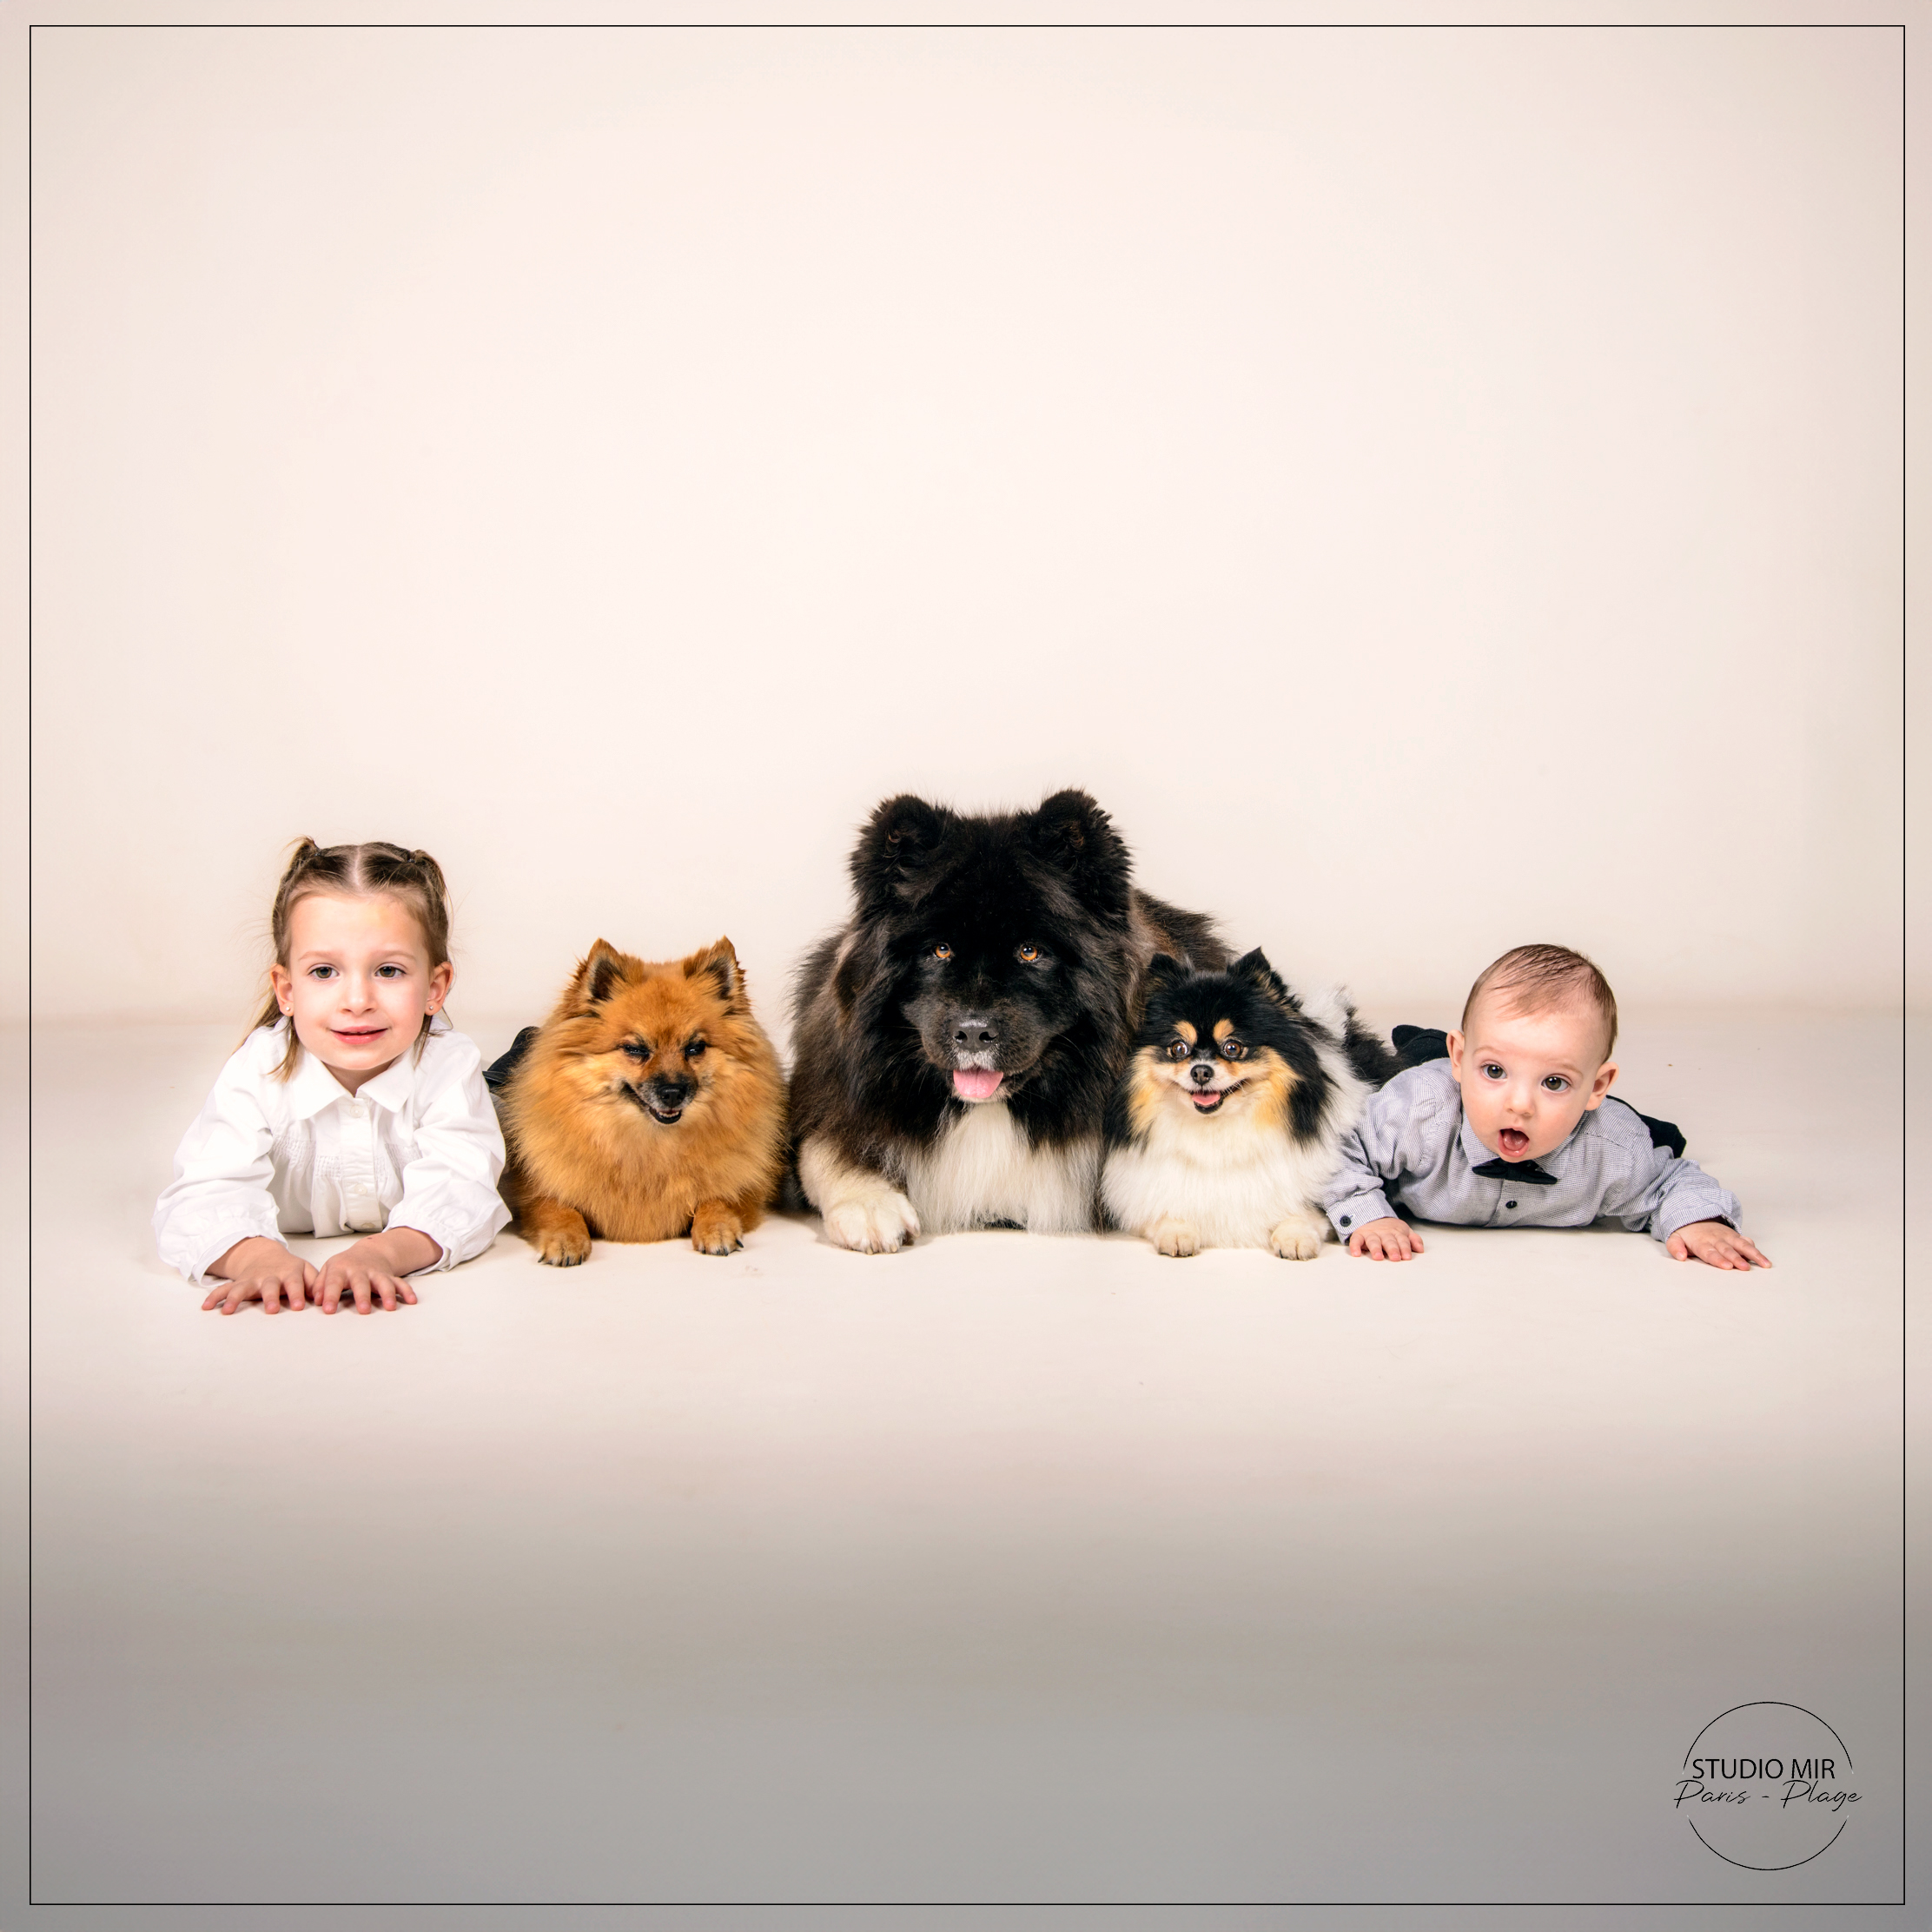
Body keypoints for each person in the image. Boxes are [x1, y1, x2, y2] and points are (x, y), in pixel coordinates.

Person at [155, 839, 510, 1313]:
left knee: (512, 1092)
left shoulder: (448, 1064)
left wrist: (383, 1253)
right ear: (286, 990)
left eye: (388, 971)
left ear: (435, 987)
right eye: (324, 972)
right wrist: (255, 1258)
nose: (357, 1001)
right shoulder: (258, 1068)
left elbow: (464, 1187)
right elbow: (203, 1191)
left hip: (487, 1089)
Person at [1325, 943, 1771, 1271]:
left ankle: (1532, 1081)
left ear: (1597, 1087)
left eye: (1553, 1081)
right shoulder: (1415, 1111)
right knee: (1421, 1058)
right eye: (1495, 1070)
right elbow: (1335, 1150)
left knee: (1652, 1137)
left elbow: (1671, 1182)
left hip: (1588, 1114)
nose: (1520, 1105)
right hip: (1436, 1073)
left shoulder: (1610, 1147)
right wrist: (1368, 1213)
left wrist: (1699, 1221)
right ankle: (1431, 1043)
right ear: (1462, 1058)